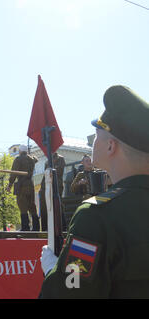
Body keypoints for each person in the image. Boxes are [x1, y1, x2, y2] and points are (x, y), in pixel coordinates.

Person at [40, 85, 149, 298]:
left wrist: (52, 270)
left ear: (111, 146)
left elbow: (70, 293)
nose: (93, 143)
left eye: (97, 133)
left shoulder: (96, 216)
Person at [7, 145, 39, 231]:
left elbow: (13, 173)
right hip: (30, 184)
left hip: (22, 185)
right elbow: (36, 159)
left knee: (22, 205)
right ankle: (36, 227)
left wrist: (9, 185)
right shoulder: (31, 159)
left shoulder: (18, 159)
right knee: (32, 205)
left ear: (20, 151)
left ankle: (25, 227)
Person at [39, 152, 66, 231]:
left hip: (56, 185)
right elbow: (45, 174)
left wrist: (52, 167)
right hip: (46, 186)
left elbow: (59, 172)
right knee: (44, 207)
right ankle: (45, 229)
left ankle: (63, 227)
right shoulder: (47, 161)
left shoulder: (60, 158)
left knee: (58, 205)